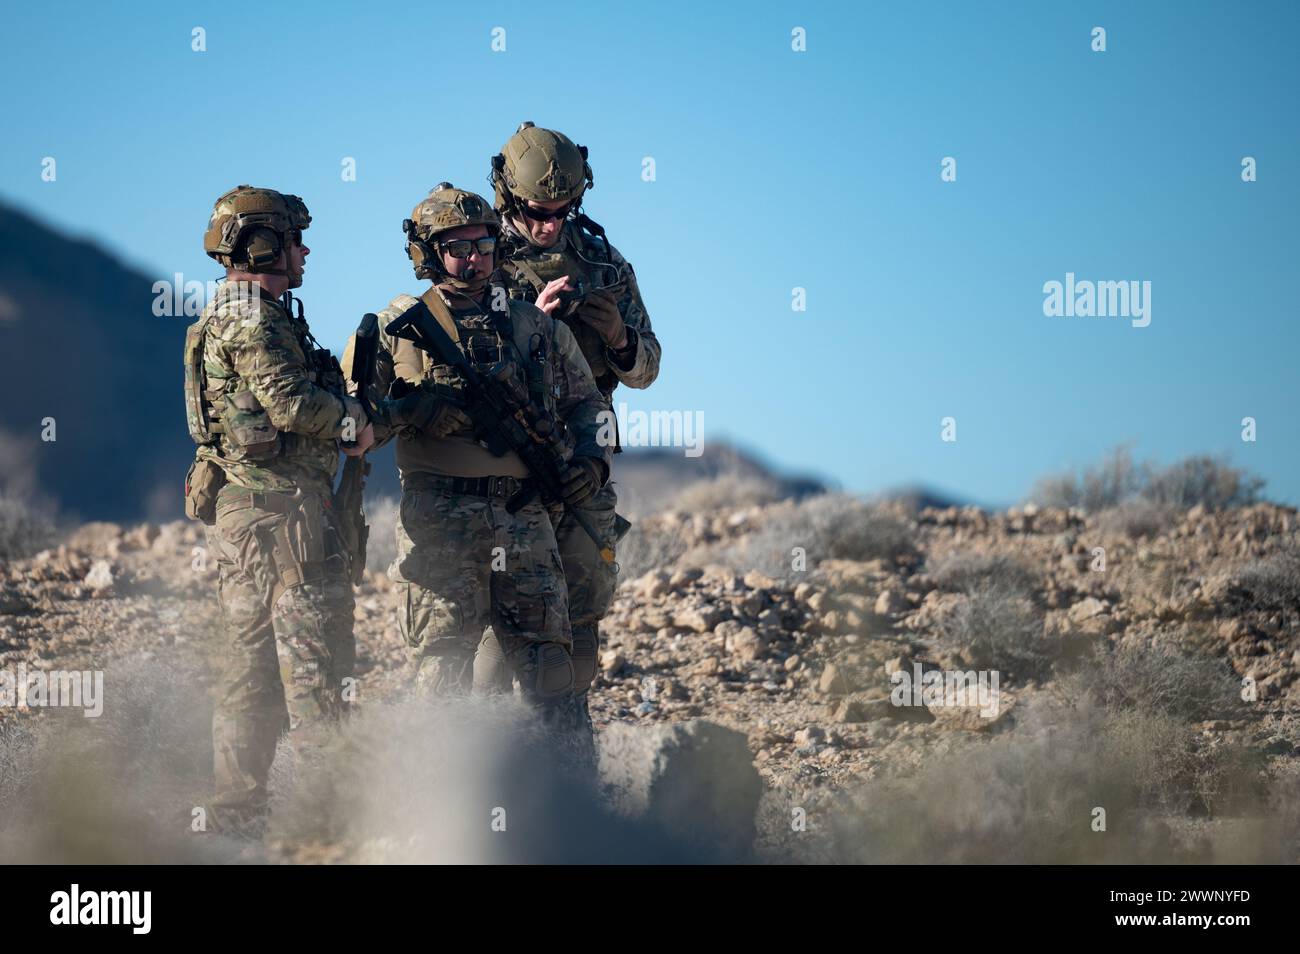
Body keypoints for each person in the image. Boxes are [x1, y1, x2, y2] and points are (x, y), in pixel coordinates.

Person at [184, 185, 373, 832]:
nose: (305, 250)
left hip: (252, 515)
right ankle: (328, 822)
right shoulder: (254, 318)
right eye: (294, 239)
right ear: (262, 243)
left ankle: (238, 816)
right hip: (285, 519)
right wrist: (355, 423)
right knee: (315, 664)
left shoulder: (238, 314)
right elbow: (292, 406)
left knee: (252, 668)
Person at [491, 122, 662, 723]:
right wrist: (526, 326)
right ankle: (480, 780)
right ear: (510, 198)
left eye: (564, 211)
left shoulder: (603, 261)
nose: (549, 225)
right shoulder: (475, 258)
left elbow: (647, 369)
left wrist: (618, 335)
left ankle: (570, 782)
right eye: (538, 212)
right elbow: (457, 370)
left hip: (585, 469)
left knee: (580, 621)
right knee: (496, 633)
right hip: (506, 473)